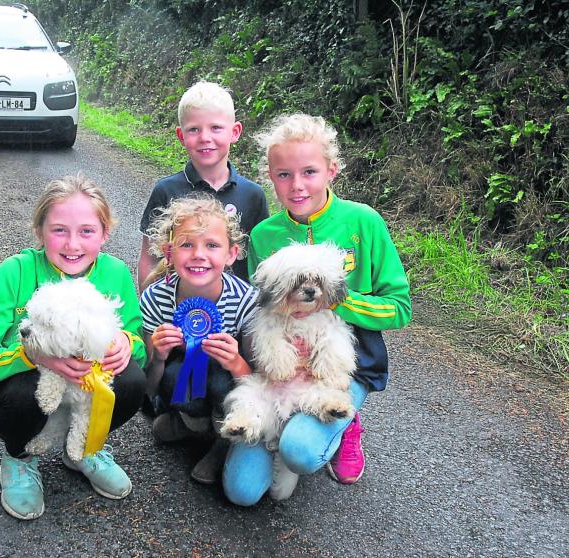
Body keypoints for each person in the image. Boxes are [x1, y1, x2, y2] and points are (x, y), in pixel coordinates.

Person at [223, 113, 412, 506]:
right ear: (270, 177)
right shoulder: (264, 235)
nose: (297, 185)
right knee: (242, 492)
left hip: (344, 361)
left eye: (309, 171)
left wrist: (337, 301)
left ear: (332, 170)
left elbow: (399, 309)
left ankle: (341, 424)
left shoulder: (364, 222)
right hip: (279, 363)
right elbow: (261, 305)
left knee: (301, 452)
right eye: (284, 174)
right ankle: (274, 426)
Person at [0, 174, 147, 520]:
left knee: (133, 380)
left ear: (105, 233)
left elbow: (139, 343)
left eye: (87, 231)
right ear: (40, 231)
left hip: (83, 392)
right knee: (23, 394)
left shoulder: (116, 273)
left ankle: (85, 448)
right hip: (23, 392)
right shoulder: (14, 272)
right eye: (59, 230)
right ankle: (19, 457)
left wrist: (126, 343)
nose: (73, 244)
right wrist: (29, 355)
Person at [141, 196, 258, 484]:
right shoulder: (155, 298)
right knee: (172, 373)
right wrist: (157, 357)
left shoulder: (246, 300)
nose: (198, 255)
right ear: (168, 252)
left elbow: (258, 381)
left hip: (228, 387)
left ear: (231, 254)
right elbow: (148, 387)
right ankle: (191, 424)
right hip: (179, 384)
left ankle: (222, 443)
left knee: (220, 377)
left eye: (212, 245)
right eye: (186, 244)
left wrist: (236, 362)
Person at [138, 81, 269, 285]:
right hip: (176, 309)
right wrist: (149, 307)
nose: (205, 137)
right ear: (181, 136)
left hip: (238, 312)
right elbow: (149, 257)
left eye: (216, 128)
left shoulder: (253, 195)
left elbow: (261, 261)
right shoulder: (166, 190)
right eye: (194, 130)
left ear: (234, 132)